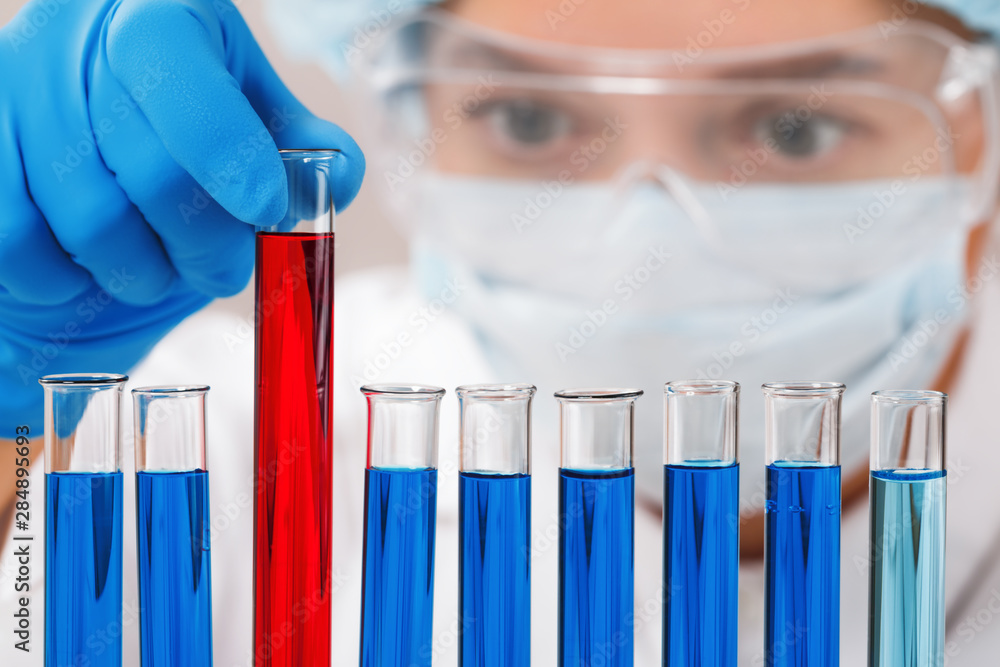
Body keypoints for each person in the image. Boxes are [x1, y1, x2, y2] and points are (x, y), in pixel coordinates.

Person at [1, 0, 999, 664]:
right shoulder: (232, 437)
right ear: (412, 117)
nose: (643, 236)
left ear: (977, 128)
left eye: (793, 126)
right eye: (527, 117)